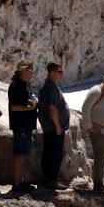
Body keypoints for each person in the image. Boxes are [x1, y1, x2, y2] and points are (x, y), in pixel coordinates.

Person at [6, 60, 38, 191]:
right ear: (23, 70)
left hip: (27, 124)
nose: (31, 72)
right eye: (30, 70)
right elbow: (14, 107)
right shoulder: (15, 86)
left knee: (24, 152)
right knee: (19, 153)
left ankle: (22, 179)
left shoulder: (26, 84)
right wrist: (29, 108)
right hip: (20, 124)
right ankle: (17, 181)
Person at [37, 61, 69, 189]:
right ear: (52, 73)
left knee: (49, 151)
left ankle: (48, 178)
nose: (61, 75)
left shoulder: (47, 86)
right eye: (59, 72)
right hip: (53, 127)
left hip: (49, 126)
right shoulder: (50, 88)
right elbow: (52, 109)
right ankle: (51, 180)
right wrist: (58, 126)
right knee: (54, 153)